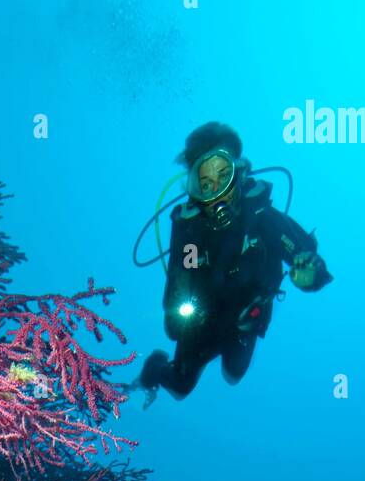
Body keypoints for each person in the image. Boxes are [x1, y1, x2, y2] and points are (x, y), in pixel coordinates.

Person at [138, 122, 332, 402]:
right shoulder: (191, 233)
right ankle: (153, 369)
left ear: (239, 172)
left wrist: (310, 275)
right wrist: (179, 315)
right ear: (194, 189)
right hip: (201, 321)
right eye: (205, 183)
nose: (216, 189)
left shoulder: (263, 219)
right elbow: (181, 278)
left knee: (233, 374)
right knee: (180, 386)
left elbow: (308, 260)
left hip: (245, 320)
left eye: (223, 174)